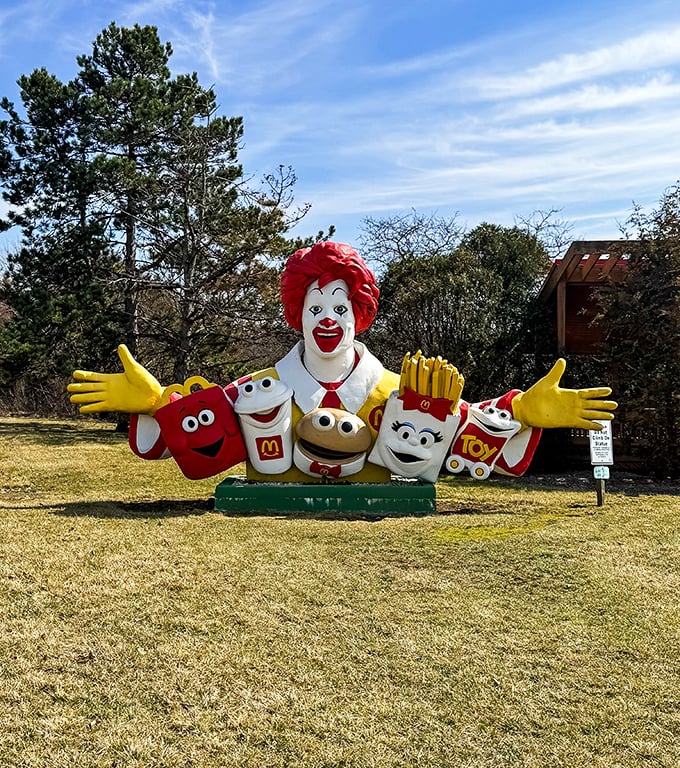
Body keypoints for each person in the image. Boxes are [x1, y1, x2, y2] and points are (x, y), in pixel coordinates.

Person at [68, 241, 618, 483]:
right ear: (297, 314)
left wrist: (522, 408)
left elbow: (459, 428)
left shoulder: (402, 394)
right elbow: (201, 421)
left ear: (360, 314)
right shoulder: (262, 388)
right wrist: (155, 402)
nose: (327, 318)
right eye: (315, 306)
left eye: (339, 305)